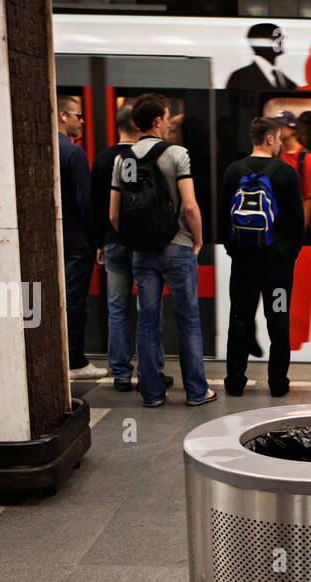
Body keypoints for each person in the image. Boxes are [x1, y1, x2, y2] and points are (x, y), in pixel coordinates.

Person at [109, 93, 214, 408]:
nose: (170, 124)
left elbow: (114, 215)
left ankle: (152, 394)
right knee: (188, 320)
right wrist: (197, 240)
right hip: (177, 247)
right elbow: (191, 206)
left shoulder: (122, 159)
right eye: (167, 118)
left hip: (142, 252)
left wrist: (135, 237)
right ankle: (197, 391)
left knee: (147, 320)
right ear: (157, 121)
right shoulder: (177, 154)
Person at [91, 102, 173, 392]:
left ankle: (121, 374)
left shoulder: (102, 160)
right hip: (143, 244)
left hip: (113, 242)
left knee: (118, 309)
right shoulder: (147, 157)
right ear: (140, 126)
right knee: (149, 309)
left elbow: (100, 207)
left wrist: (100, 242)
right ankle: (153, 370)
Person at [221, 117, 304, 396]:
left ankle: (235, 381)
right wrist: (287, 257)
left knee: (240, 317)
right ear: (269, 138)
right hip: (277, 267)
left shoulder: (233, 171)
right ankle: (278, 383)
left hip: (243, 263)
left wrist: (235, 251)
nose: (280, 144)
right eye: (278, 139)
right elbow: (296, 223)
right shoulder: (286, 173)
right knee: (278, 318)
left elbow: (223, 219)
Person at [57, 95, 103, 380]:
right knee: (75, 302)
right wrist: (97, 240)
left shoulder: (48, 149)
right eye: (78, 115)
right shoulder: (73, 153)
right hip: (77, 242)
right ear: (63, 115)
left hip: (57, 240)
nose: (82, 121)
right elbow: (85, 201)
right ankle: (75, 361)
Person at [273, 111, 311, 350]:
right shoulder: (276, 156)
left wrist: (298, 228)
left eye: (280, 125)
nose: (277, 129)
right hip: (277, 229)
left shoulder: (305, 158)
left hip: (297, 230)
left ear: (291, 128)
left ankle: (302, 337)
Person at [226, 23, 297, 90]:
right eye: (276, 38)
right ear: (259, 42)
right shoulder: (240, 77)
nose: (281, 42)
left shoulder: (287, 81)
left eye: (281, 39)